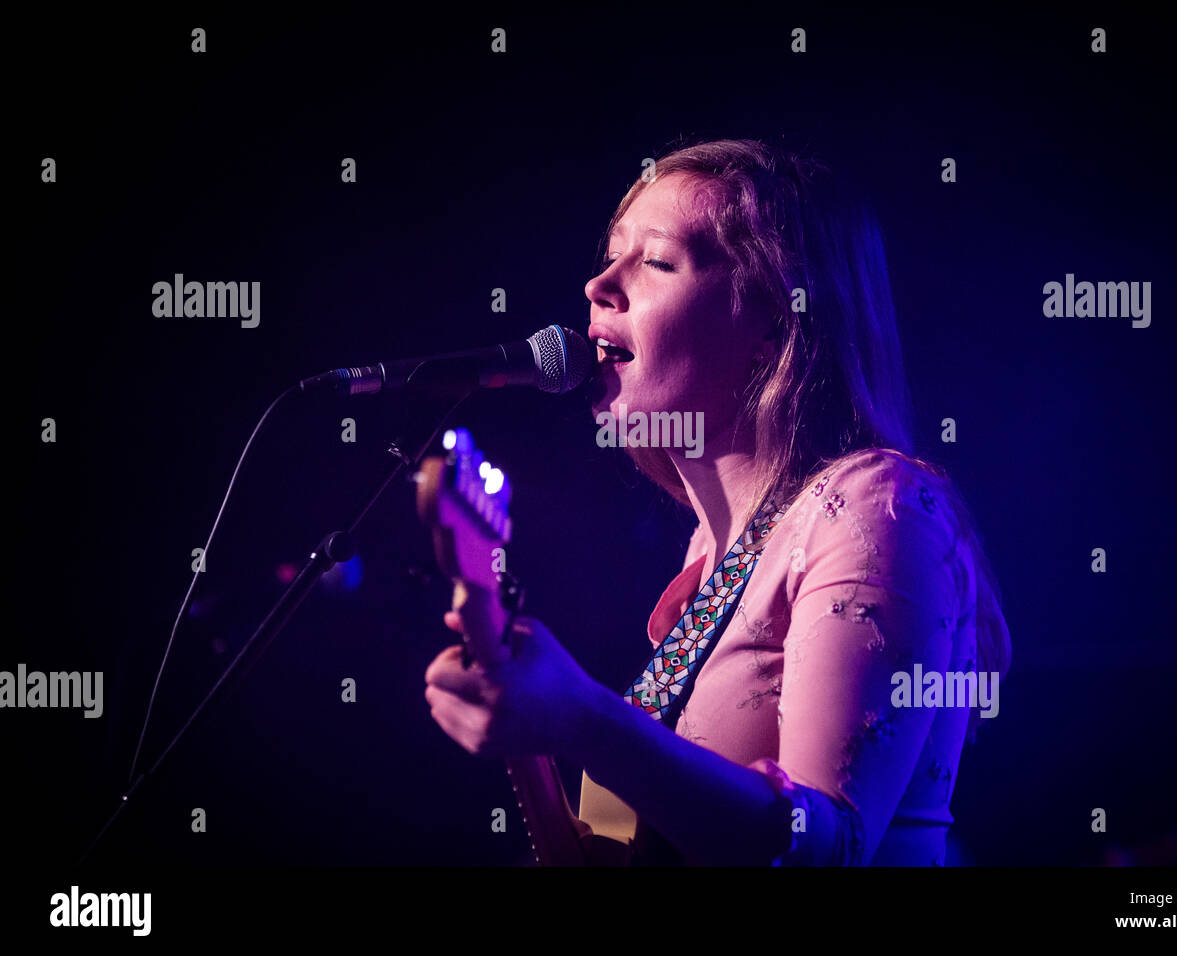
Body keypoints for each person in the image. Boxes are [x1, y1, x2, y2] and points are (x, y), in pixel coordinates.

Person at [424, 138, 1011, 866]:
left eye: (657, 262)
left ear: (774, 323)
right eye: (609, 256)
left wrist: (580, 716)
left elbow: (827, 847)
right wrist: (536, 727)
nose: (598, 286)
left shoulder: (874, 504)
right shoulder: (710, 561)